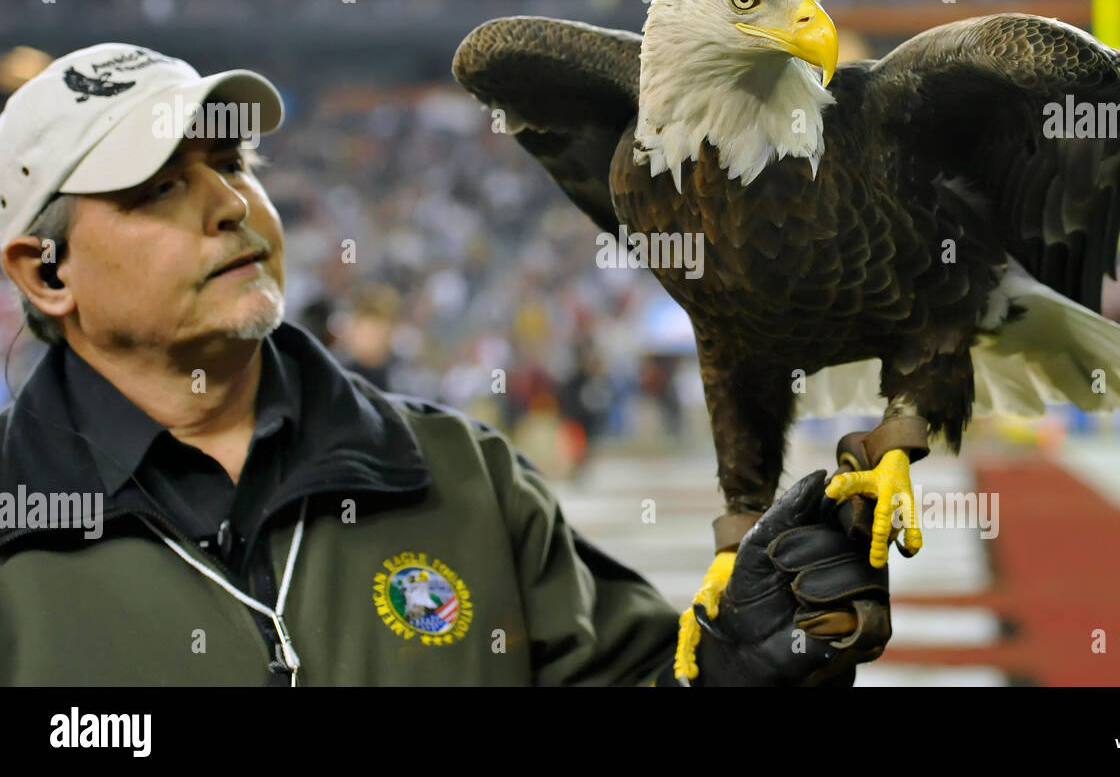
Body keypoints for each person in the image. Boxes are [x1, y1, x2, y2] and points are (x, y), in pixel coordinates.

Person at [0, 43, 892, 686]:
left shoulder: (462, 474)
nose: (231, 203)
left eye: (232, 161)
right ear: (45, 271)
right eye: (158, 186)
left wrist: (739, 669)